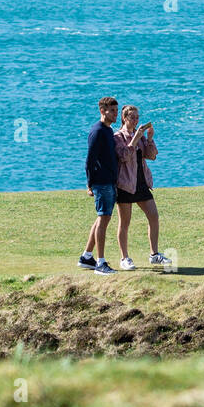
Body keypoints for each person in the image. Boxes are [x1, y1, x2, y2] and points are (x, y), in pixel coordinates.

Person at [114, 105, 170, 269]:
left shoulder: (139, 137)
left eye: (137, 117)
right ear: (124, 118)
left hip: (141, 183)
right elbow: (123, 156)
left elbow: (151, 156)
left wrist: (150, 138)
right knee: (125, 222)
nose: (136, 120)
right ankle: (124, 258)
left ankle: (154, 254)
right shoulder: (118, 137)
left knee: (154, 216)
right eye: (132, 117)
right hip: (125, 183)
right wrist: (135, 138)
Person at [79, 96, 120, 274]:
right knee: (103, 219)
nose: (115, 114)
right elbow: (89, 161)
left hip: (109, 181)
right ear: (102, 111)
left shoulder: (108, 130)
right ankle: (100, 263)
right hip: (101, 183)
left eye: (116, 110)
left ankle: (87, 257)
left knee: (102, 218)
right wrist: (90, 184)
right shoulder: (97, 131)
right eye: (112, 111)